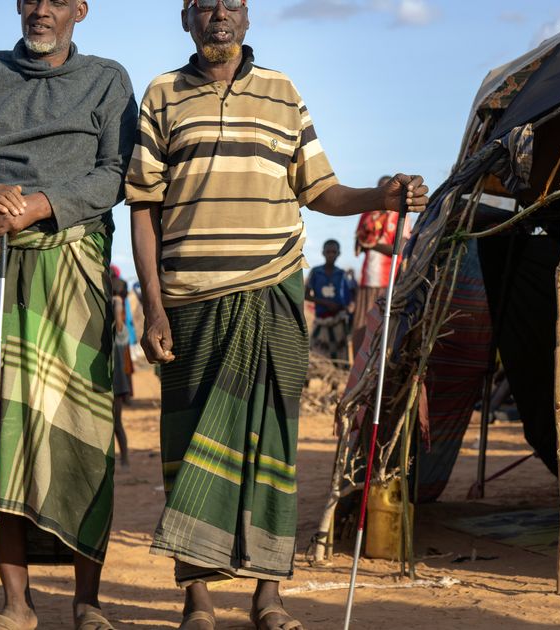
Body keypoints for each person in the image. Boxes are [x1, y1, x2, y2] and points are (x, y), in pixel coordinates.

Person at [126, 2, 429, 627]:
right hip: (190, 304)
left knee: (273, 445)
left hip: (273, 297)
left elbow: (320, 190)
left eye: (232, 5)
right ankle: (198, 600)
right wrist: (152, 305)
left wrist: (382, 195)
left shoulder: (283, 93)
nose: (219, 16)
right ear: (186, 19)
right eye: (205, 6)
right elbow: (143, 205)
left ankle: (268, 596)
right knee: (188, 445)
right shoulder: (161, 94)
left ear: (247, 18)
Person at [0, 0, 137, 627]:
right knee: (3, 432)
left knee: (82, 431)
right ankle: (16, 604)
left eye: (55, 0)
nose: (40, 9)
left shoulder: (108, 79)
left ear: (80, 9)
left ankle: (87, 603)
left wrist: (45, 203)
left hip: (70, 264)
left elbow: (115, 173)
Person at [352, 177, 413, 361]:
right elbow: (357, 246)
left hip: (389, 281)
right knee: (359, 326)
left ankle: (377, 368)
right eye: (380, 189)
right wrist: (366, 243)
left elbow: (400, 249)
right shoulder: (367, 214)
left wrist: (371, 244)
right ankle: (357, 365)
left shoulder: (401, 215)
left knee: (382, 326)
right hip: (367, 280)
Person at [305, 239, 354, 362]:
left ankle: (337, 378)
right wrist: (325, 303)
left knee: (339, 355)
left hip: (338, 320)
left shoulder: (342, 274)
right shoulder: (316, 272)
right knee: (317, 354)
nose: (331, 254)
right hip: (321, 320)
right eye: (328, 251)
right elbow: (306, 295)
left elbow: (348, 298)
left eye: (334, 252)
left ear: (338, 254)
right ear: (323, 253)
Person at [110, 273, 132, 468]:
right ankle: (121, 459)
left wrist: (116, 302)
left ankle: (124, 458)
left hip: (115, 378)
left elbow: (119, 325)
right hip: (111, 376)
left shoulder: (119, 329)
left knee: (116, 422)